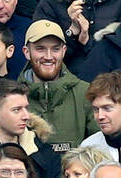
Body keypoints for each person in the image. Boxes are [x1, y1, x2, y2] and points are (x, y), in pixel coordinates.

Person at [17, 19, 98, 151]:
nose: (48, 56)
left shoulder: (86, 93)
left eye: (55, 49)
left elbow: (99, 149)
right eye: (40, 49)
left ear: (64, 51)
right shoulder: (12, 97)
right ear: (26, 52)